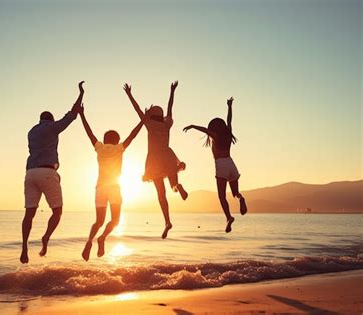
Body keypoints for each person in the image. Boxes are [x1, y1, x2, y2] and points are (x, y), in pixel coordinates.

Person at [20, 81, 84, 264]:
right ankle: (46, 237)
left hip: (30, 173)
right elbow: (73, 113)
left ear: (40, 119)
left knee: (29, 213)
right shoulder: (53, 127)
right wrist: (81, 93)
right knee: (57, 212)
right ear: (51, 119)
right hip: (47, 173)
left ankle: (24, 247)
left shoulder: (31, 131)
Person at [123, 81, 188, 239]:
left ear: (151, 115)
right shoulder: (167, 124)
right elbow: (170, 107)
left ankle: (167, 221)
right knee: (173, 184)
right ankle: (178, 186)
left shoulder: (149, 124)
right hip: (168, 156)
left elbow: (137, 110)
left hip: (154, 160)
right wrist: (172, 91)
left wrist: (129, 94)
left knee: (161, 194)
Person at [79, 103, 143, 261]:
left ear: (105, 139)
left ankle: (89, 241)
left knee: (98, 221)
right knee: (115, 220)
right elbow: (133, 135)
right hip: (114, 187)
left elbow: (89, 133)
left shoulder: (99, 148)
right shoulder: (118, 149)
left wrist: (82, 114)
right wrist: (143, 120)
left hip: (100, 188)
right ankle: (102, 238)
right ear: (116, 140)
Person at [183, 97, 247, 233]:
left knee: (222, 197)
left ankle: (229, 217)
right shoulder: (228, 133)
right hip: (231, 164)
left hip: (221, 166)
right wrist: (229, 106)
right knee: (235, 193)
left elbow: (205, 130)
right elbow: (229, 120)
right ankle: (241, 199)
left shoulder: (215, 136)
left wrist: (192, 126)